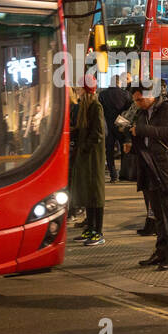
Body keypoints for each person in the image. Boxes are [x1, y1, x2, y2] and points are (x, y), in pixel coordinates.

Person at [129, 84, 168, 270]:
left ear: (150, 95)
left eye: (140, 99)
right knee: (157, 215)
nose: (137, 103)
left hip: (166, 169)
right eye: (135, 100)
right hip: (149, 169)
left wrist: (142, 130)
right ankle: (160, 251)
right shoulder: (143, 113)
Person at [69, 77, 106, 246]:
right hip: (86, 157)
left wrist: (84, 147)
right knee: (89, 195)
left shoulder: (95, 107)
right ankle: (90, 228)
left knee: (95, 194)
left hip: (93, 158)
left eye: (79, 89)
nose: (77, 92)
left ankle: (98, 231)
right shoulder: (85, 107)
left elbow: (98, 133)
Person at [100, 75, 132, 184]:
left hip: (108, 125)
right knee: (124, 149)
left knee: (109, 151)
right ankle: (123, 173)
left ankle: (113, 175)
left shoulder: (103, 94)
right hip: (122, 125)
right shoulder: (126, 94)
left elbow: (101, 111)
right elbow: (129, 112)